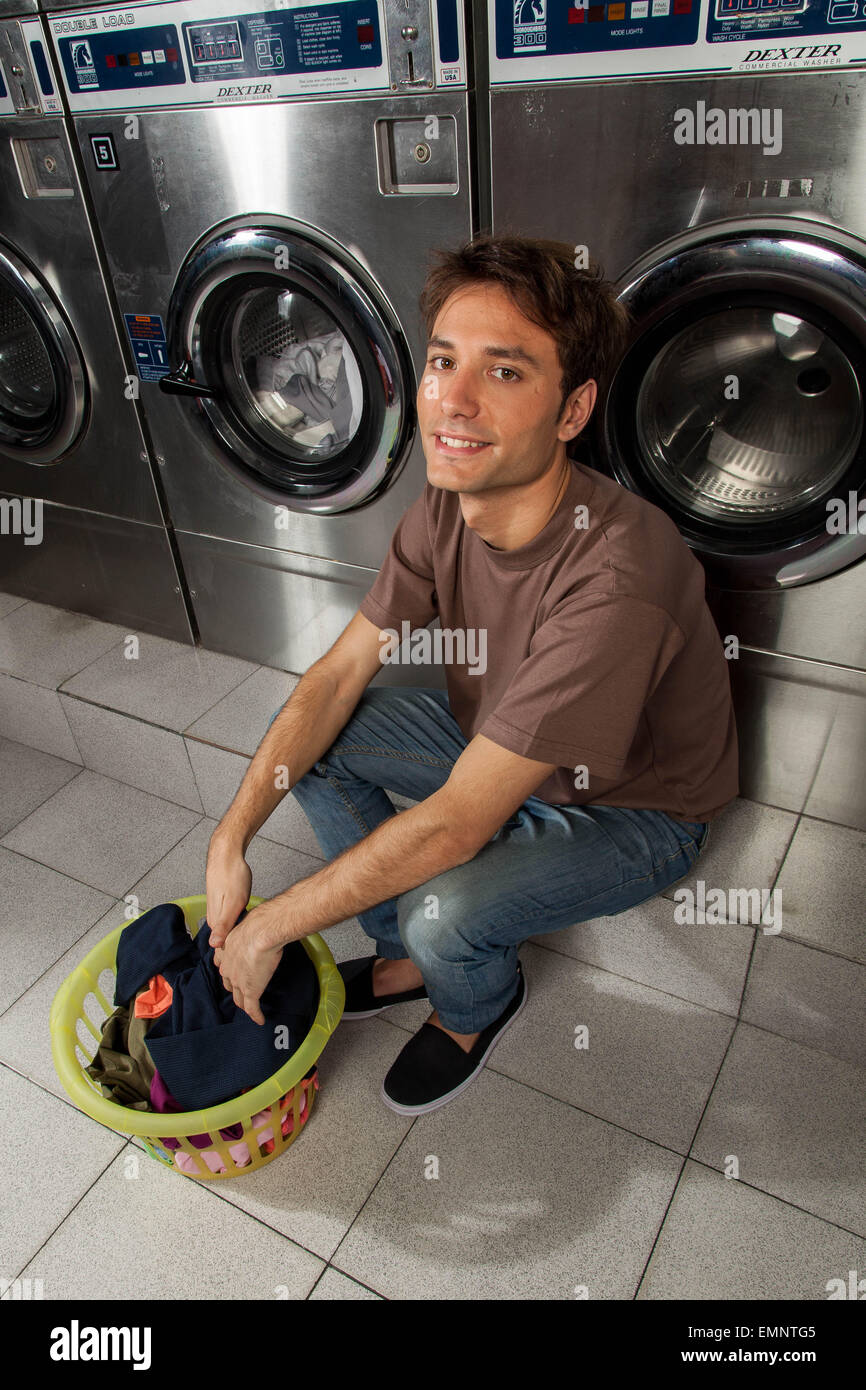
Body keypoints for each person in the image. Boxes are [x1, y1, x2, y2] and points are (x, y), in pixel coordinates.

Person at [207, 235, 739, 1116]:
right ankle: (405, 957)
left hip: (637, 806)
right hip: (503, 745)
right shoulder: (447, 506)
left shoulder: (618, 578)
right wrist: (232, 841)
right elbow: (338, 676)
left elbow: (455, 824)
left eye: (505, 372)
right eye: (444, 360)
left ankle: (474, 1006)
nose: (450, 400)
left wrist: (269, 927)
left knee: (443, 910)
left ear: (572, 412)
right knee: (321, 742)